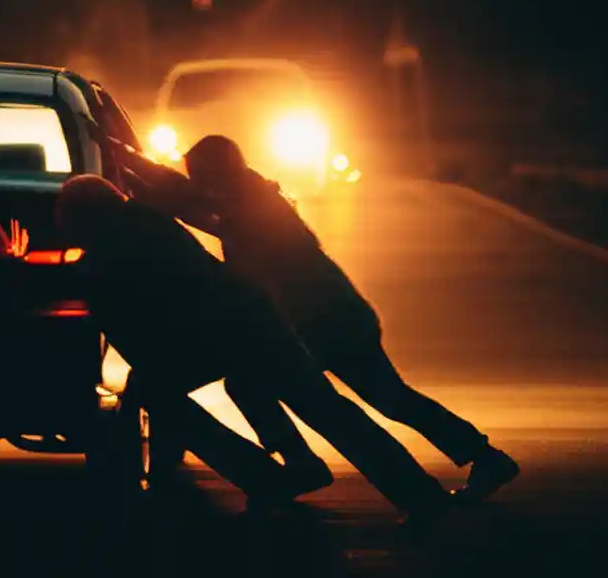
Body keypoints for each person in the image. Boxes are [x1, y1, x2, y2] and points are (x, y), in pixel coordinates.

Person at [57, 174, 454, 526]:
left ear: (87, 218)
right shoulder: (144, 224)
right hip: (247, 323)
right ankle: (418, 495)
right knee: (329, 412)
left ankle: (268, 477)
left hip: (226, 333)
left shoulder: (113, 253)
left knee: (155, 390)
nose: (59, 223)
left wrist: (8, 258)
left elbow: (105, 298)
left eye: (66, 215)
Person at [175, 135, 519, 503]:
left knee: (262, 388)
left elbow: (211, 222)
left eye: (200, 178)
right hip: (333, 319)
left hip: (329, 324)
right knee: (390, 398)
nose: (198, 187)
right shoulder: (251, 198)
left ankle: (303, 463)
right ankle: (484, 457)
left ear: (216, 177)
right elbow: (203, 214)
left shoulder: (249, 211)